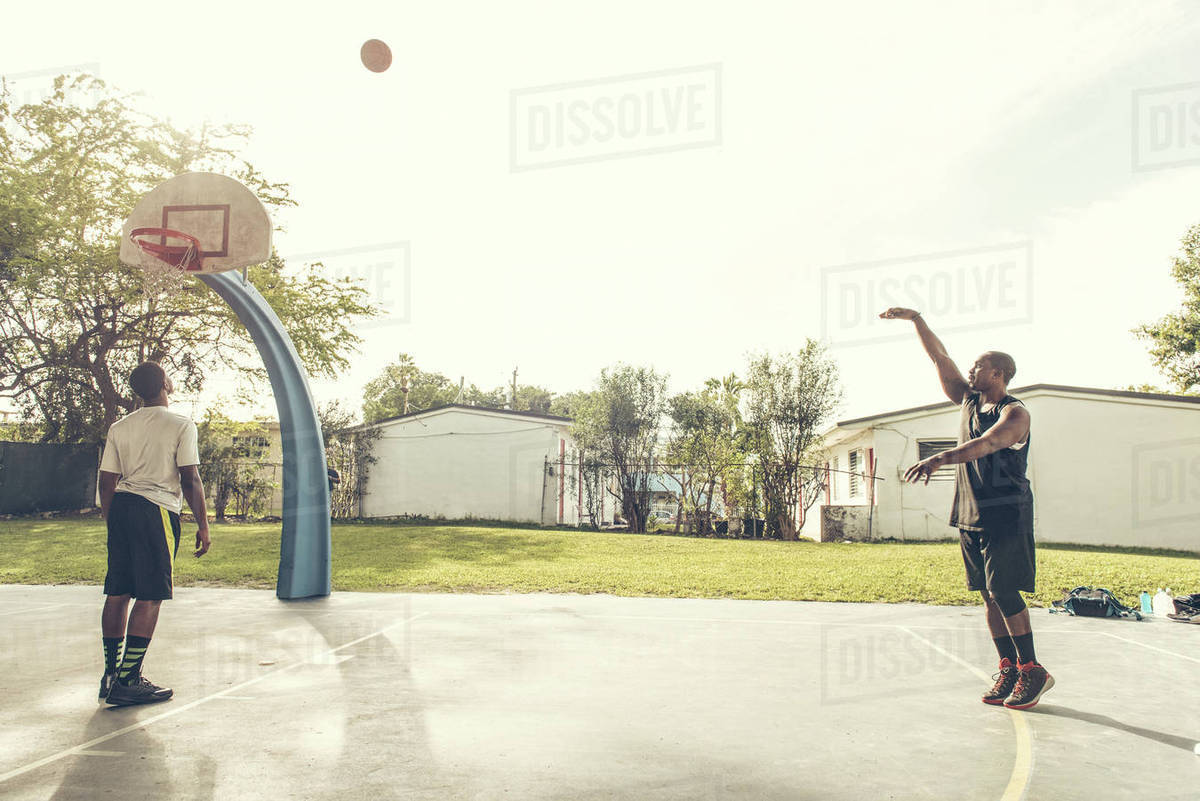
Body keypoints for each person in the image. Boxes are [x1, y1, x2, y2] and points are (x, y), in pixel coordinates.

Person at [881, 307, 1053, 710]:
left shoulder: (1015, 413)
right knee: (988, 597)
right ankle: (1009, 666)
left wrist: (939, 458)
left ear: (999, 374)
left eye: (979, 366)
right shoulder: (968, 400)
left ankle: (1033, 670)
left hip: (1006, 514)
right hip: (971, 514)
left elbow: (988, 443)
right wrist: (916, 319)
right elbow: (940, 358)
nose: (971, 370)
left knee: (1003, 590)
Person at [97, 362, 210, 707]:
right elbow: (189, 477)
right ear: (164, 383)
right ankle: (129, 679)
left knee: (118, 592)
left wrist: (111, 520)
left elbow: (106, 481)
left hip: (122, 508)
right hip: (155, 509)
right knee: (150, 595)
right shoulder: (180, 424)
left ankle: (111, 675)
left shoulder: (121, 426)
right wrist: (203, 525)